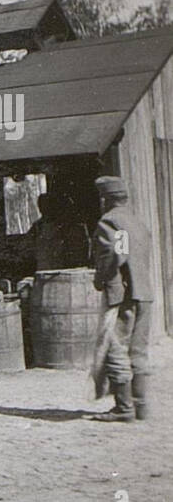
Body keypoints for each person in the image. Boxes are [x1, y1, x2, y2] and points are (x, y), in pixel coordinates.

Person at [90, 176, 155, 423]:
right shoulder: (137, 222)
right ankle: (141, 406)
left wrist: (101, 278)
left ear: (105, 199)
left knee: (114, 347)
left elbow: (115, 254)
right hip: (144, 293)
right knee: (138, 350)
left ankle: (124, 408)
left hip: (123, 295)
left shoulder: (110, 221)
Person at [33, 191, 91, 271]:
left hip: (60, 267)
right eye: (41, 206)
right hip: (43, 265)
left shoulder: (67, 225)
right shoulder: (38, 225)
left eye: (46, 206)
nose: (42, 209)